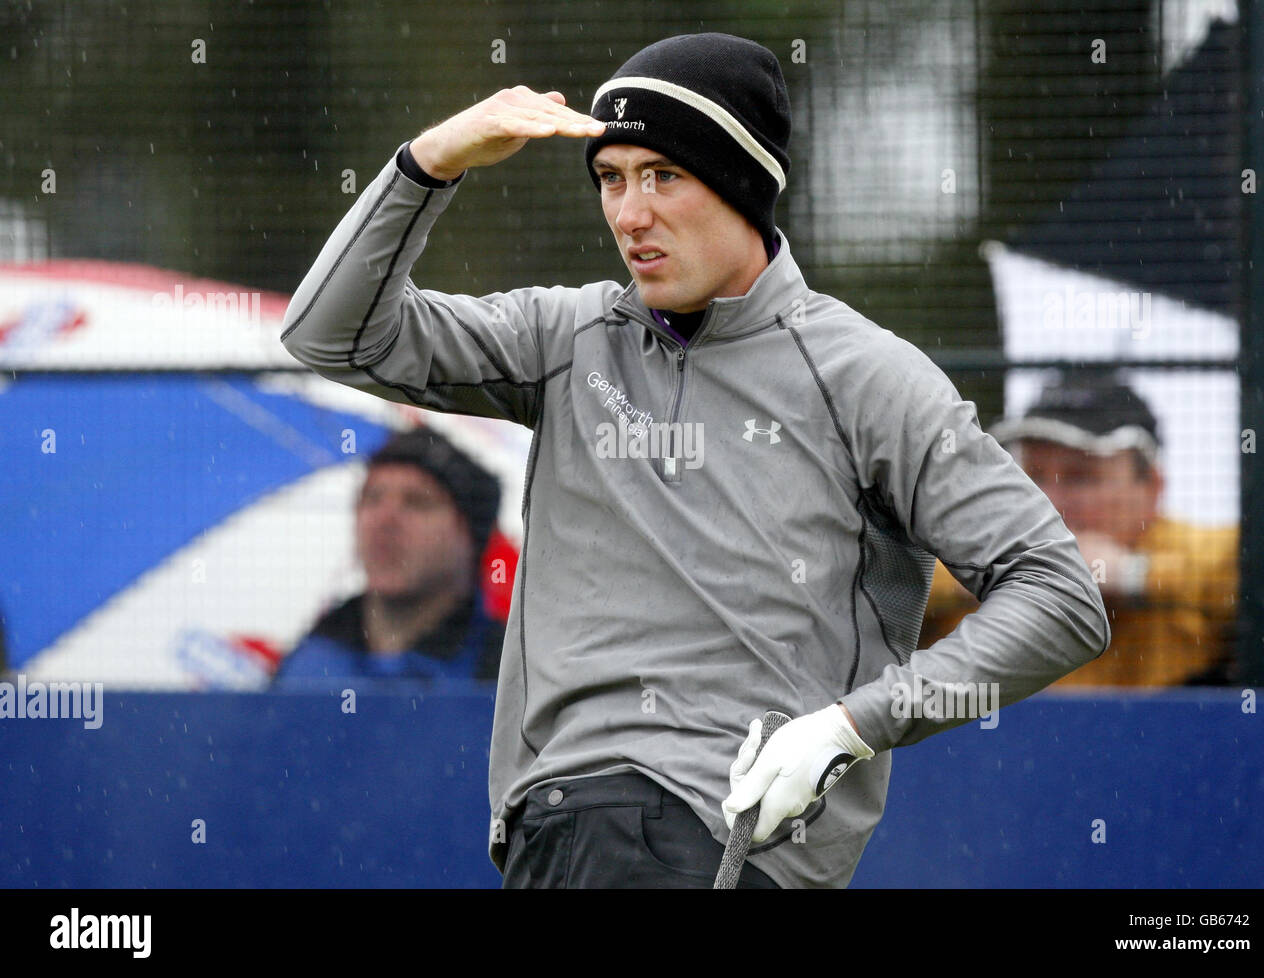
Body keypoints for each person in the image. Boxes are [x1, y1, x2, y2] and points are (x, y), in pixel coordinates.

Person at [281, 33, 1108, 888]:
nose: (629, 214)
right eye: (612, 177)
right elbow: (329, 335)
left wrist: (851, 727)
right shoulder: (565, 336)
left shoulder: (867, 376)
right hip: (554, 836)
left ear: (742, 186)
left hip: (719, 848)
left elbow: (1060, 596)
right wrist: (429, 163)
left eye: (663, 175)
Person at [922, 373, 1238, 686]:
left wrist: (1132, 574)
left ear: (1152, 488)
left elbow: (1258, 576)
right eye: (1035, 475)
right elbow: (889, 572)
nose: (1048, 499)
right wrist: (985, 577)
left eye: (1081, 477)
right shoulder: (982, 549)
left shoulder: (1191, 550)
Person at [275, 427, 505, 685]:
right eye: (372, 499)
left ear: (470, 537)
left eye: (417, 502)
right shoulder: (306, 664)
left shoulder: (511, 672)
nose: (385, 520)